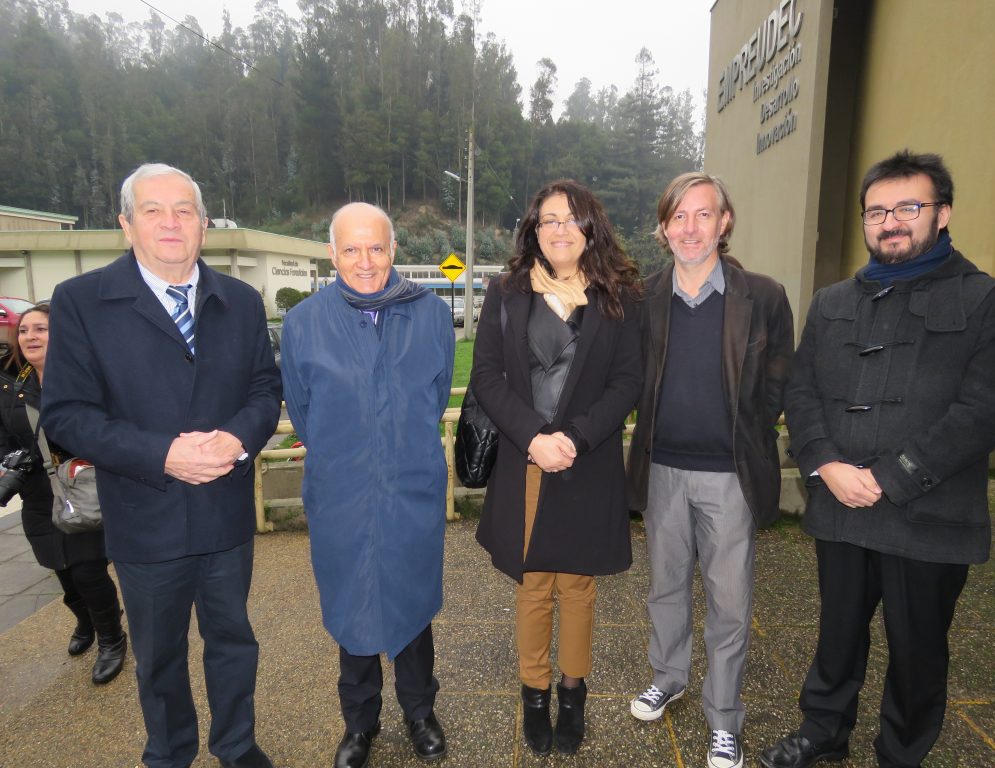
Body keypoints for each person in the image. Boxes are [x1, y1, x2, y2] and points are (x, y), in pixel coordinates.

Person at [759, 150, 995, 768]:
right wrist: (824, 465)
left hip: (929, 515)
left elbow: (983, 413)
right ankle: (824, 730)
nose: (891, 221)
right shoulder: (831, 303)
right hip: (842, 506)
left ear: (943, 213)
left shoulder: (994, 302)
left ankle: (902, 752)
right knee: (836, 636)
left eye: (908, 207)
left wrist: (888, 477)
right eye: (877, 211)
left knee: (918, 650)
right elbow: (801, 393)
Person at [41, 163, 282, 768]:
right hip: (144, 515)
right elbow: (67, 415)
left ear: (203, 224)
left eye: (184, 210)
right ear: (127, 224)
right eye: (153, 210)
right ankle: (170, 754)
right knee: (159, 655)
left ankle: (237, 746)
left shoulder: (242, 300)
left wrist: (235, 440)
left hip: (225, 513)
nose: (170, 222)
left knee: (233, 643)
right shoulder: (82, 302)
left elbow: (263, 389)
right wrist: (164, 454)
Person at [624, 172, 794, 768]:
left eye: (703, 215)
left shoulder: (763, 295)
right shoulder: (644, 298)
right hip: (663, 469)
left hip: (730, 477)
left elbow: (777, 380)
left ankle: (724, 718)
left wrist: (746, 435)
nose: (689, 228)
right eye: (678, 217)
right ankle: (668, 676)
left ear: (725, 222)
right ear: (663, 227)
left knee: (729, 602)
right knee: (665, 589)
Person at [471, 179, 643, 756]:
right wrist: (534, 438)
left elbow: (627, 382)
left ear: (591, 228)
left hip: (585, 460)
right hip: (527, 463)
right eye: (548, 219)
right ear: (534, 231)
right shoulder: (507, 292)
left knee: (577, 586)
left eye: (572, 219)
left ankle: (574, 694)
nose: (560, 229)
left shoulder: (617, 295)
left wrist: (575, 436)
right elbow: (487, 377)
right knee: (533, 584)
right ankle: (535, 696)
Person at [280, 202, 454, 768]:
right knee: (353, 610)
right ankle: (359, 724)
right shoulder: (305, 322)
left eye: (376, 247)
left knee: (410, 604)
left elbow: (436, 393)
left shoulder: (429, 313)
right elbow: (303, 413)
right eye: (350, 249)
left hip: (410, 488)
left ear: (394, 249)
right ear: (332, 253)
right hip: (342, 493)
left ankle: (420, 711)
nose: (364, 261)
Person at [0, 302, 126, 684]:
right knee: (60, 571)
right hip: (38, 494)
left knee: (88, 570)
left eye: (41, 329)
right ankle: (84, 620)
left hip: (82, 487)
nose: (30, 337)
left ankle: (111, 637)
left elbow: (108, 430)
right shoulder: (10, 383)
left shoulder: (84, 379)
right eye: (24, 331)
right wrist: (11, 463)